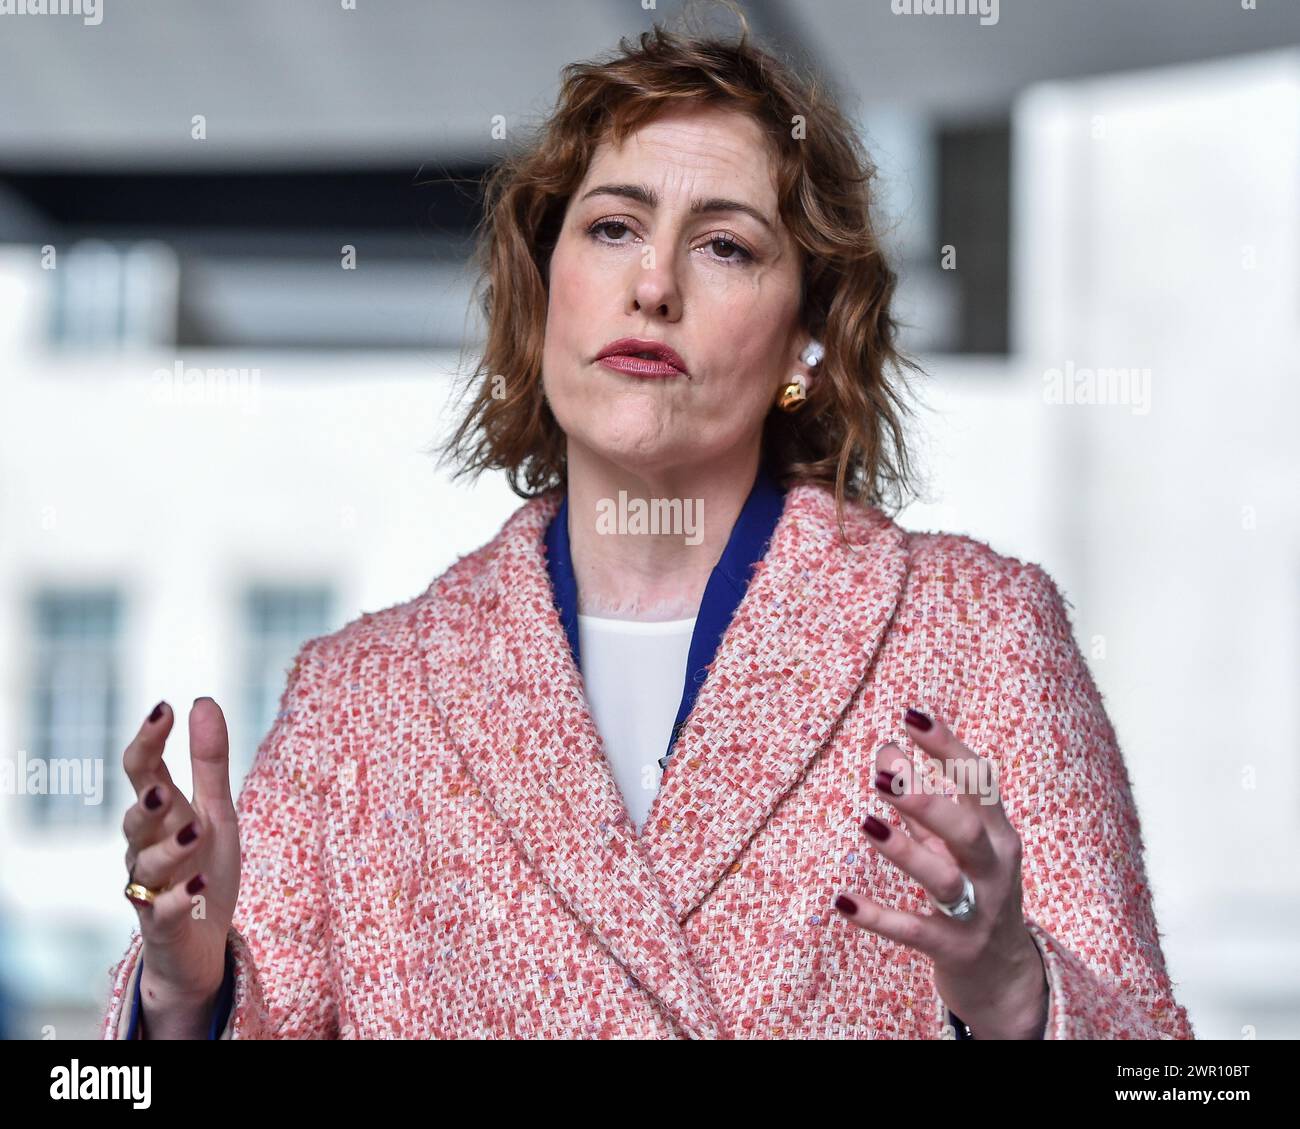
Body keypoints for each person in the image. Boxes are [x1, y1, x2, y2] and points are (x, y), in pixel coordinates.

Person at [101, 10, 1193, 1040]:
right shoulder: (362, 702)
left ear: (809, 340)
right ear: (542, 298)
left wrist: (1011, 991)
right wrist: (183, 995)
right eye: (613, 227)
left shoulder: (980, 631)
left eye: (725, 246)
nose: (653, 283)